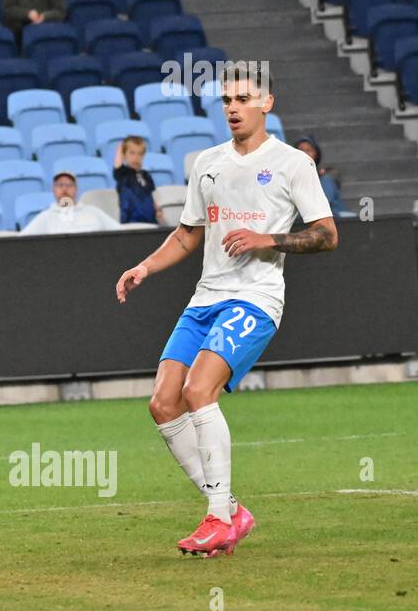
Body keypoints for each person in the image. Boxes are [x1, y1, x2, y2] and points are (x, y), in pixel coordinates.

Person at [115, 62, 338, 557]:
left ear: (266, 104)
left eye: (242, 99)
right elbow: (188, 233)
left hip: (256, 297)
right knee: (163, 402)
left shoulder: (291, 164)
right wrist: (145, 268)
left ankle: (217, 518)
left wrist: (268, 239)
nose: (233, 108)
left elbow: (327, 234)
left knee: (199, 389)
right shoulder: (207, 162)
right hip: (205, 298)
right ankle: (231, 510)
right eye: (226, 101)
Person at [19, 170, 123, 234]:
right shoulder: (45, 217)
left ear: (76, 189)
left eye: (69, 185)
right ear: (54, 190)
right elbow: (22, 241)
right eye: (60, 185)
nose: (64, 189)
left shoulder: (94, 212)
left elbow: (121, 233)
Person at [294, 135, 351, 217]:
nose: (304, 154)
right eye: (301, 150)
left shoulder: (325, 178)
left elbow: (321, 204)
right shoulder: (292, 177)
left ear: (316, 154)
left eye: (308, 150)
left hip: (335, 220)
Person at [113, 135, 165, 225]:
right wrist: (120, 149)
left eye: (140, 154)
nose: (136, 157)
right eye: (132, 153)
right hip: (130, 223)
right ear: (124, 154)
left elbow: (151, 195)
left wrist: (158, 210)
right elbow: (117, 165)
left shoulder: (146, 175)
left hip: (150, 222)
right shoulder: (123, 174)